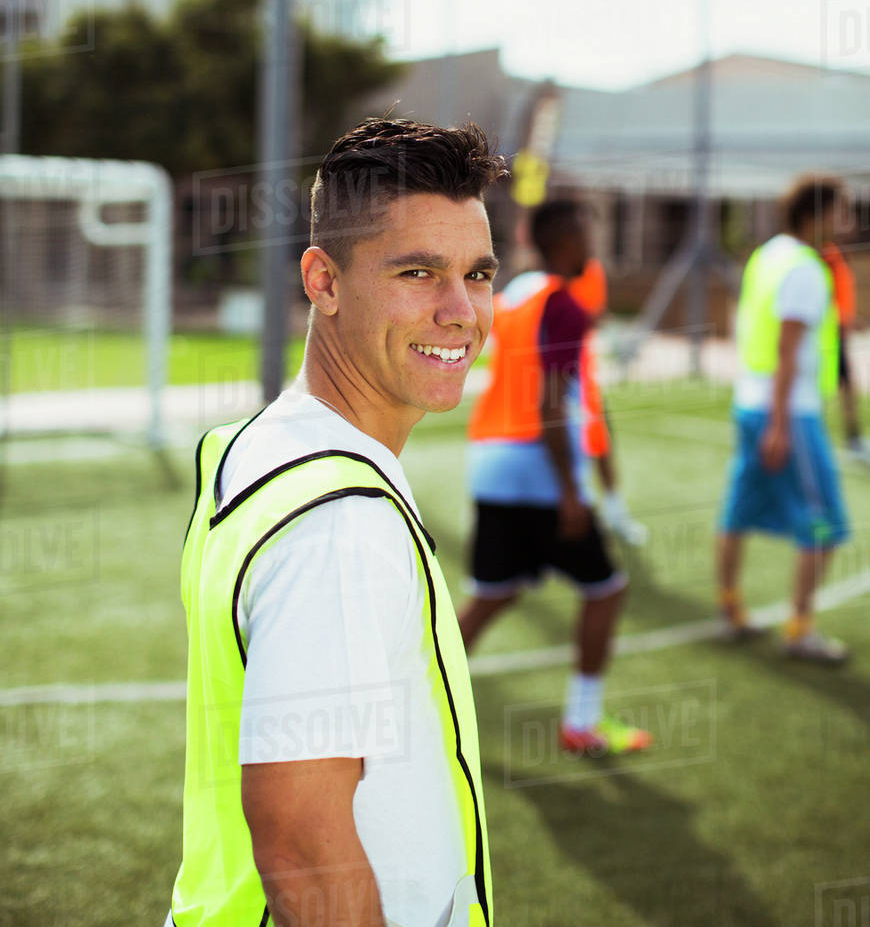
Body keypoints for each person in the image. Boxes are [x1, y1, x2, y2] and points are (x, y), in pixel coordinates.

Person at [165, 119, 506, 927]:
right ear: (324, 281)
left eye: (478, 274)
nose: (460, 311)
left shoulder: (260, 445)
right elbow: (302, 845)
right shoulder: (341, 522)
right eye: (419, 272)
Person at [459, 199, 653, 757]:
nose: (592, 245)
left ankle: (414, 707)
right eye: (586, 234)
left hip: (491, 461)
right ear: (565, 241)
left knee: (493, 594)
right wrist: (571, 491)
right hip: (537, 470)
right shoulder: (564, 305)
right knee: (606, 591)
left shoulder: (517, 294)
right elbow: (550, 404)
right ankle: (582, 723)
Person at [717, 174, 851, 663]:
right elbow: (787, 350)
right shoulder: (805, 268)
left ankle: (731, 608)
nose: (847, 221)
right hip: (789, 413)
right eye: (841, 211)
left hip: (751, 403)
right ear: (817, 215)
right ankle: (800, 628)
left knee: (738, 512)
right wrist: (780, 424)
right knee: (825, 521)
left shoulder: (768, 254)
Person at [569, 252, 648, 546]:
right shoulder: (539, 276)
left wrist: (614, 332)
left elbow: (592, 313)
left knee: (601, 440)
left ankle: (613, 510)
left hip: (581, 377)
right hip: (550, 378)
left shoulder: (590, 268)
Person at [821, 239, 870, 462]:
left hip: (838, 331)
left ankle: (853, 436)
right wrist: (840, 320)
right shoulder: (823, 254)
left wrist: (849, 319)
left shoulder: (836, 251)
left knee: (847, 384)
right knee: (826, 387)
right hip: (828, 333)